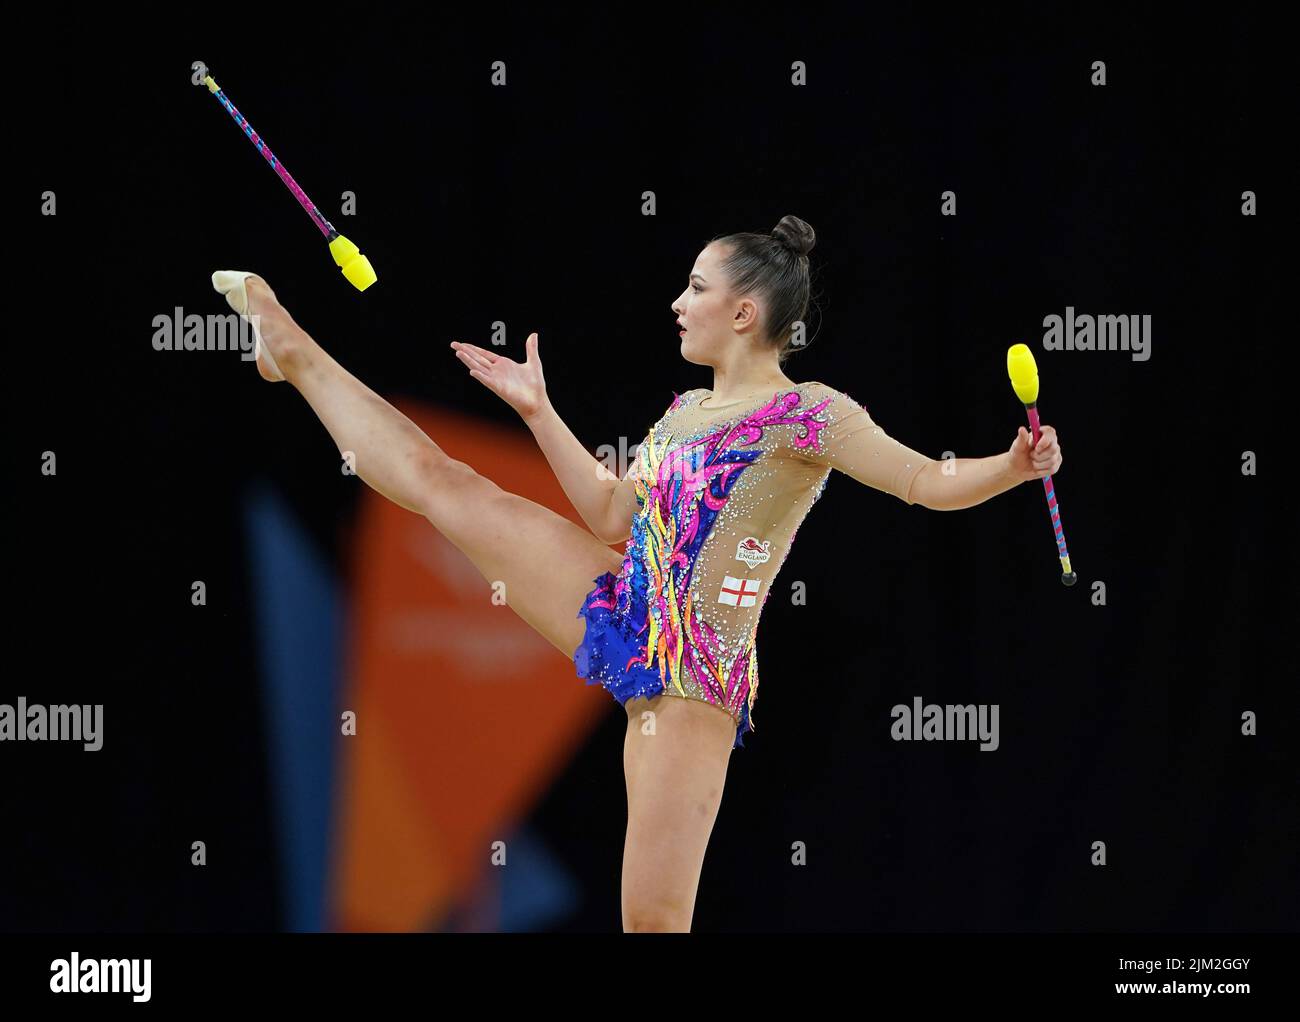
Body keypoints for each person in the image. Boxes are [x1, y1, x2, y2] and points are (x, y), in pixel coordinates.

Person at [212, 214, 1062, 932]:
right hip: (624, 606)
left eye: (695, 287)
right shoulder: (686, 411)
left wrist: (1010, 467)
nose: (677, 302)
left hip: (694, 679)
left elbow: (924, 481)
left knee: (651, 922)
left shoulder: (812, 415)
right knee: (450, 486)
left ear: (744, 311)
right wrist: (539, 412)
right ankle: (293, 350)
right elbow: (613, 518)